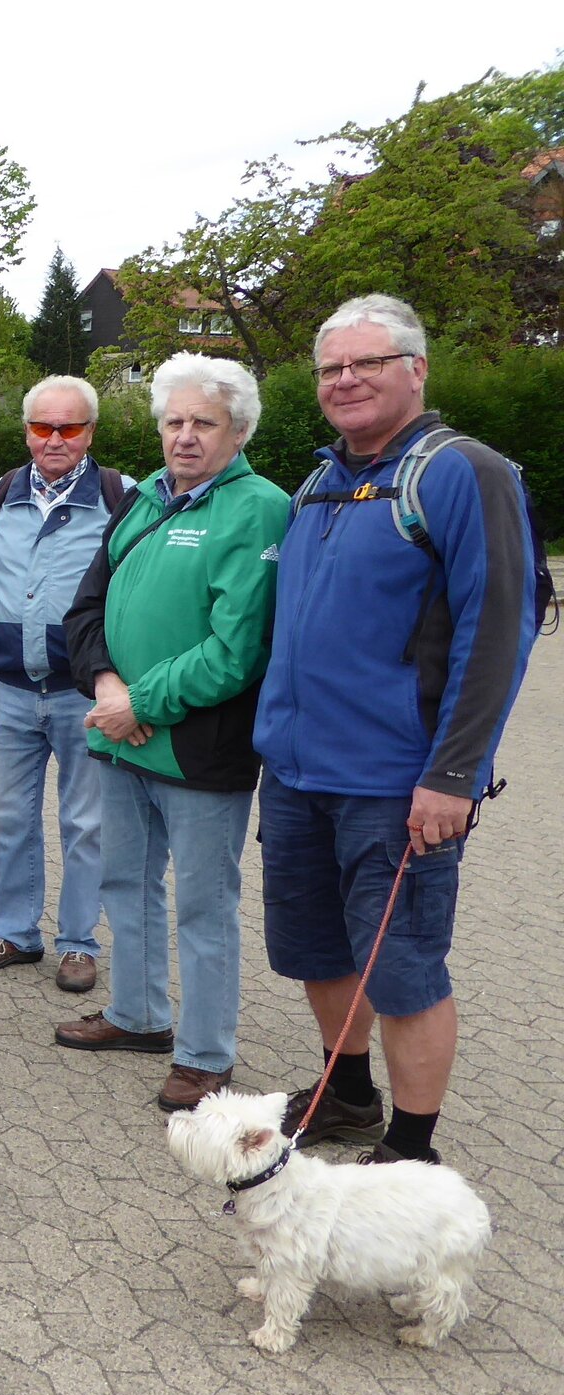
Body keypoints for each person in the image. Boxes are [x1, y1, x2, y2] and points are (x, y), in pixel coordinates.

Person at [255, 294, 541, 1165]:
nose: (345, 380)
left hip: (395, 783)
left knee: (405, 967)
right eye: (331, 367)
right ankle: (346, 1095)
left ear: (416, 368)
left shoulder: (463, 472)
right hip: (299, 775)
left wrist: (454, 775)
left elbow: (500, 631)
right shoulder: (320, 483)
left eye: (367, 363)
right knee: (316, 947)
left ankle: (412, 1150)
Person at [60, 353, 291, 1111]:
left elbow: (238, 649)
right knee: (124, 883)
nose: (185, 437)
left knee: (202, 905)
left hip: (196, 750)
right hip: (118, 735)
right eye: (174, 422)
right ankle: (138, 1016)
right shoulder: (146, 497)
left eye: (204, 422)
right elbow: (85, 608)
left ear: (239, 429)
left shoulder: (257, 508)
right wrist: (105, 686)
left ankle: (204, 1054)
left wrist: (141, 702)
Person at [0, 376, 134, 994]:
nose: (54, 439)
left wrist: (124, 684)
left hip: (82, 693)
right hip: (8, 687)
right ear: (26, 429)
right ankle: (14, 931)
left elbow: (138, 595)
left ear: (90, 432)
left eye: (70, 427)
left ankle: (80, 943)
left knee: (85, 823)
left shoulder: (121, 497)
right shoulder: (2, 492)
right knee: (9, 816)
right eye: (42, 427)